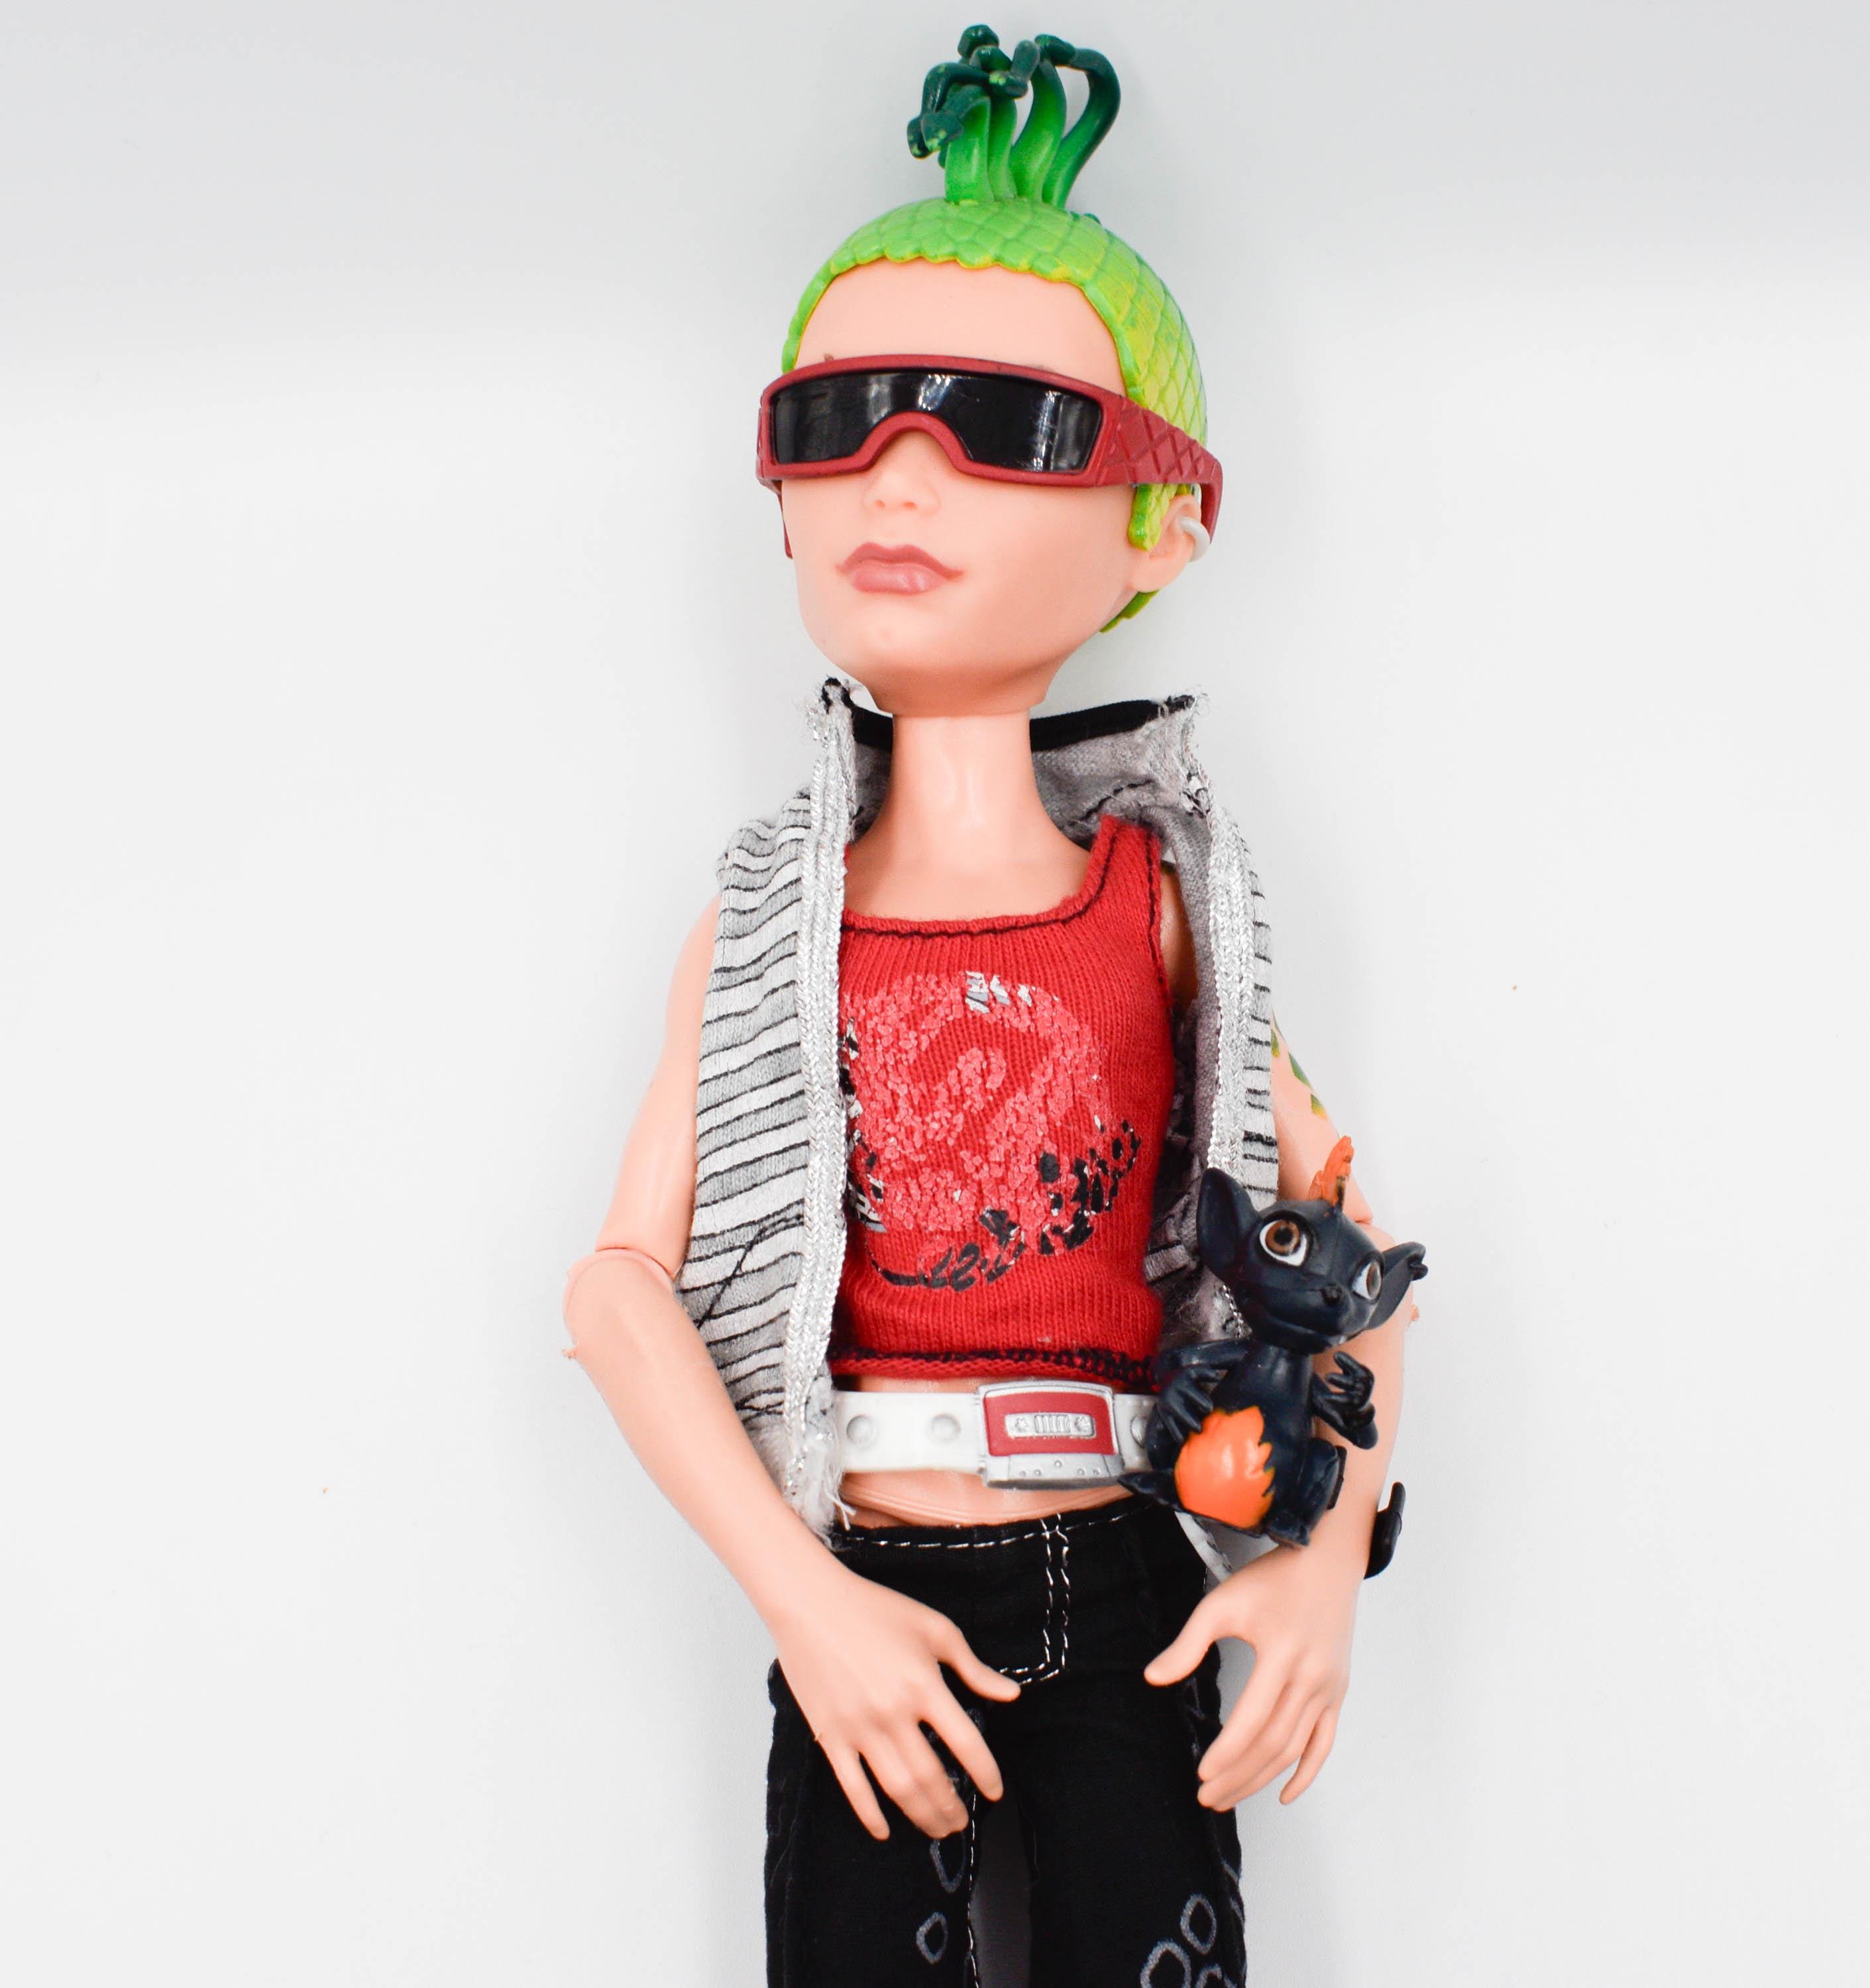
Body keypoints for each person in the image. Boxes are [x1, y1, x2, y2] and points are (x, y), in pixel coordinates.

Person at [563, 30, 1416, 1987]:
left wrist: (1325, 1562)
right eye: (836, 419)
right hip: (868, 1569)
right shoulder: (766, 931)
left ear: (1163, 520)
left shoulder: (1169, 913)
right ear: (781, 495)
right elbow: (617, 1291)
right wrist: (801, 1600)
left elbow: (1349, 1254)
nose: (904, 471)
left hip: (1134, 1566)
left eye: (1009, 426)